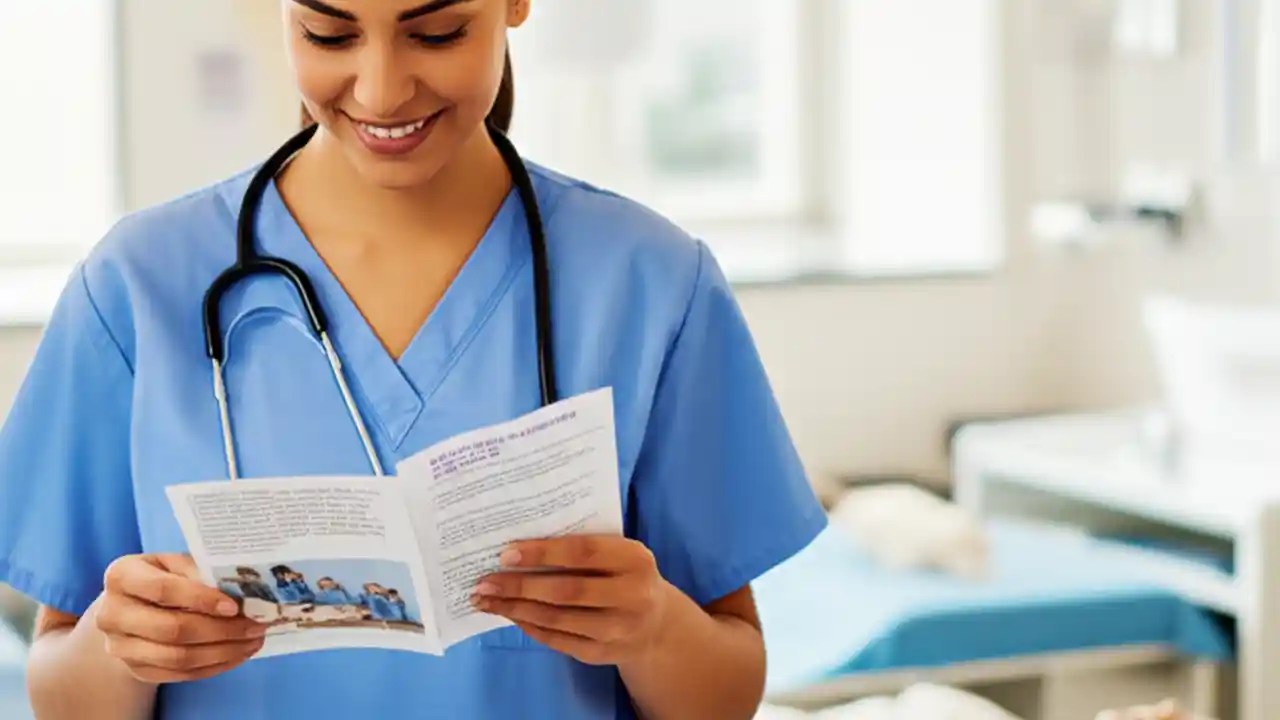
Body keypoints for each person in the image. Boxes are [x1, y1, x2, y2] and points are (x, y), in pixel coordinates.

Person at [1, 1, 826, 718]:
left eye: (435, 33)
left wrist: (651, 629)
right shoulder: (140, 284)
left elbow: (724, 691)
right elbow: (61, 689)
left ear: (513, 3)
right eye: (329, 34)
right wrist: (124, 647)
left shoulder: (649, 282)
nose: (381, 89)